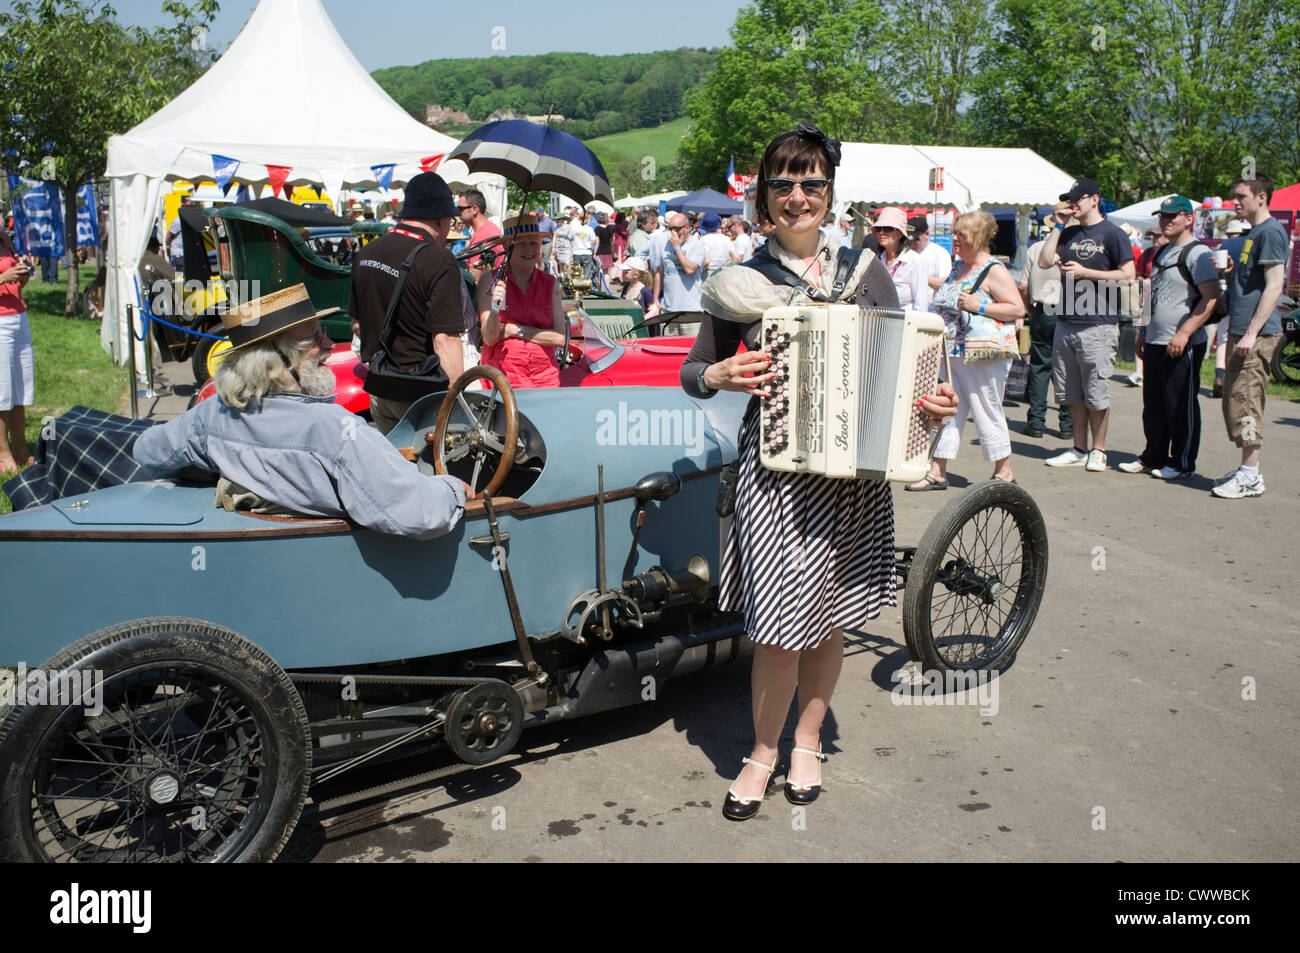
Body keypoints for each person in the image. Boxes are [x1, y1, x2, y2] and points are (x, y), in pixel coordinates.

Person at [679, 123, 957, 822]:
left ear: (830, 194)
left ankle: (808, 741)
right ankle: (761, 750)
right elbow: (692, 371)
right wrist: (717, 371)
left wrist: (933, 400)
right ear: (763, 199)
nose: (799, 196)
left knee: (827, 617)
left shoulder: (865, 272)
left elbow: (907, 363)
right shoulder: (738, 282)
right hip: (775, 474)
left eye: (812, 182)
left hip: (852, 476)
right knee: (776, 627)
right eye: (784, 183)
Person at [133, 284, 471, 537]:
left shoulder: (212, 417)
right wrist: (454, 490)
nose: (328, 345)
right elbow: (414, 511)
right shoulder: (335, 430)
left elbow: (147, 449)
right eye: (314, 338)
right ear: (271, 364)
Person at [908, 210, 1024, 490]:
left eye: (960, 234)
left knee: (987, 410)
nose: (954, 239)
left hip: (981, 355)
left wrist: (980, 306)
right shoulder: (960, 266)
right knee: (948, 410)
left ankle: (1004, 470)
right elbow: (947, 291)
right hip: (952, 354)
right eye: (954, 233)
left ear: (977, 237)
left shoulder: (994, 269)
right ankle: (937, 470)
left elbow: (1017, 308)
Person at [349, 172, 465, 434]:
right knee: (433, 473)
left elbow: (357, 326)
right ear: (441, 218)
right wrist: (456, 402)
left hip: (379, 387)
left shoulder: (366, 253)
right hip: (421, 395)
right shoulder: (439, 259)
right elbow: (445, 339)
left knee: (392, 470)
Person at [1038, 177, 1135, 472]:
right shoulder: (1068, 233)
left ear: (1094, 199)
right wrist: (1057, 225)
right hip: (1066, 322)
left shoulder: (1113, 233)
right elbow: (1043, 261)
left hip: (1098, 323)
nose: (1072, 205)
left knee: (1096, 392)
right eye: (1069, 200)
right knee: (1070, 393)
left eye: (1077, 199)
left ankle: (1099, 449)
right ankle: (1079, 447)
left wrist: (1086, 272)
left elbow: (1128, 274)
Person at [1117, 196, 1218, 479]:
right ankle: (1154, 456)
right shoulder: (1160, 252)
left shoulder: (1197, 253)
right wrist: (1142, 331)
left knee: (1180, 405)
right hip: (1155, 340)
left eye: (1172, 216)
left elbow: (1211, 298)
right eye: (1163, 216)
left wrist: (1185, 333)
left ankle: (1182, 462)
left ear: (1189, 219)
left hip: (1182, 343)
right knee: (1153, 406)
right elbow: (1150, 294)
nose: (1166, 220)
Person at [1211, 173, 1288, 499]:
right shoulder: (1254, 233)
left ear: (1261, 197)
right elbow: (1254, 281)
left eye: (1241, 196)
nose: (1236, 202)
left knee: (1246, 404)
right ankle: (1247, 469)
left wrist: (1252, 333)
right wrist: (1231, 272)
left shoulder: (1270, 232)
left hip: (1256, 335)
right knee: (1234, 401)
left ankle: (1251, 473)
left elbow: (1275, 286)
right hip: (1242, 331)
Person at [476, 213, 567, 389]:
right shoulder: (490, 281)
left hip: (544, 379)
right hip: (502, 379)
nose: (530, 250)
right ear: (507, 247)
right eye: (522, 244)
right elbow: (489, 338)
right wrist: (496, 306)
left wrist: (516, 330)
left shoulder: (550, 283)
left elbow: (559, 338)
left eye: (534, 244)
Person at [1018, 203, 1074, 438]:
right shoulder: (1072, 248)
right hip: (1067, 309)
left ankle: (1037, 421)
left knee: (1040, 366)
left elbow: (1023, 285)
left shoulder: (1036, 249)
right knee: (1067, 368)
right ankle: (1067, 424)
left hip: (1042, 309)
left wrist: (1030, 309)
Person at [1, 226, 35, 473]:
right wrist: (3, 277)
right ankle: (4, 456)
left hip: (18, 317)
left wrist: (23, 271)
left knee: (21, 387)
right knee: (2, 392)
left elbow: (16, 281)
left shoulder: (4, 236)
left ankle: (21, 449)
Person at [1211, 217, 1250, 397]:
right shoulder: (1253, 244)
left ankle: (1220, 375)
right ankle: (1236, 381)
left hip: (1225, 297)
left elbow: (1217, 271)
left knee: (1223, 339)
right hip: (1246, 301)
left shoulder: (1226, 245)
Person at [655, 211, 708, 335]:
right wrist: (655, 299)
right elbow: (660, 272)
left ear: (688, 228)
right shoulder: (664, 244)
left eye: (676, 229)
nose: (673, 233)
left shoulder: (697, 245)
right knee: (668, 352)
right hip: (668, 310)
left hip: (690, 311)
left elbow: (690, 270)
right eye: (670, 228)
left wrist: (677, 248)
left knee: (689, 351)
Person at [872, 206, 931, 312]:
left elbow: (921, 306)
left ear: (900, 233)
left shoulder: (915, 262)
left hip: (905, 325)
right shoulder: (876, 260)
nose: (881, 232)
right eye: (878, 229)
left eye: (888, 228)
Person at [457, 188, 503, 280]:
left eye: (460, 209)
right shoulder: (488, 228)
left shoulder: (483, 236)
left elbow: (476, 279)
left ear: (474, 209)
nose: (458, 212)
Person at [909, 215, 953, 287]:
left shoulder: (940, 253)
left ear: (926, 234)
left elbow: (945, 283)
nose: (911, 241)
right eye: (909, 238)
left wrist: (918, 277)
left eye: (915, 238)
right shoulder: (905, 252)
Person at [569, 211, 597, 282]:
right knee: (587, 274)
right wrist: (588, 243)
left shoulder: (574, 228)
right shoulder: (589, 229)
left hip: (577, 251)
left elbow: (570, 238)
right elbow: (593, 241)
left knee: (576, 274)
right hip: (586, 252)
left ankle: (577, 289)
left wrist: (574, 245)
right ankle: (586, 290)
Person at [593, 211, 615, 279]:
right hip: (608, 251)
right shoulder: (610, 228)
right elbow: (613, 240)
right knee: (606, 272)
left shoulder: (598, 228)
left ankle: (598, 289)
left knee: (597, 272)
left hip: (600, 252)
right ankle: (607, 288)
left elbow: (597, 242)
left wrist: (594, 253)